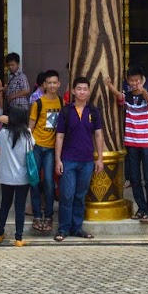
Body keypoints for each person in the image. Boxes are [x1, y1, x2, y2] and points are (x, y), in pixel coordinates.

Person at [52, 76, 104, 242]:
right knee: (67, 194)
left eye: (85, 89)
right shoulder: (66, 111)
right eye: (79, 89)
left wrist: (100, 158)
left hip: (87, 160)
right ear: (73, 91)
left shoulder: (93, 111)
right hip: (68, 159)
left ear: (89, 92)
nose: (82, 92)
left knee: (80, 195)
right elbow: (59, 136)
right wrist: (57, 159)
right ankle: (63, 228)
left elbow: (98, 134)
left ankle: (77, 227)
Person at [115, 66, 148, 222]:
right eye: (132, 80)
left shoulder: (147, 95)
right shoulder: (127, 96)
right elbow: (119, 96)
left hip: (146, 143)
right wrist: (109, 85)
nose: (134, 83)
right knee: (134, 178)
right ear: (128, 81)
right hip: (131, 142)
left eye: (137, 80)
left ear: (142, 80)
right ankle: (141, 208)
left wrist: (143, 90)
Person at [0, 99, 35, 246]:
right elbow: (31, 150)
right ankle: (18, 238)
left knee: (5, 204)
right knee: (20, 206)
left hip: (6, 176)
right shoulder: (28, 134)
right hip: (23, 177)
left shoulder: (4, 133)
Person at [27, 70, 61, 234]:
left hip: (52, 148)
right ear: (45, 85)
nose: (52, 85)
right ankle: (37, 215)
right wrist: (27, 148)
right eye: (49, 83)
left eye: (55, 83)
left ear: (59, 84)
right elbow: (31, 126)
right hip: (37, 146)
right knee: (34, 181)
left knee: (48, 181)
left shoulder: (61, 102)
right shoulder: (38, 103)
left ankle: (48, 215)